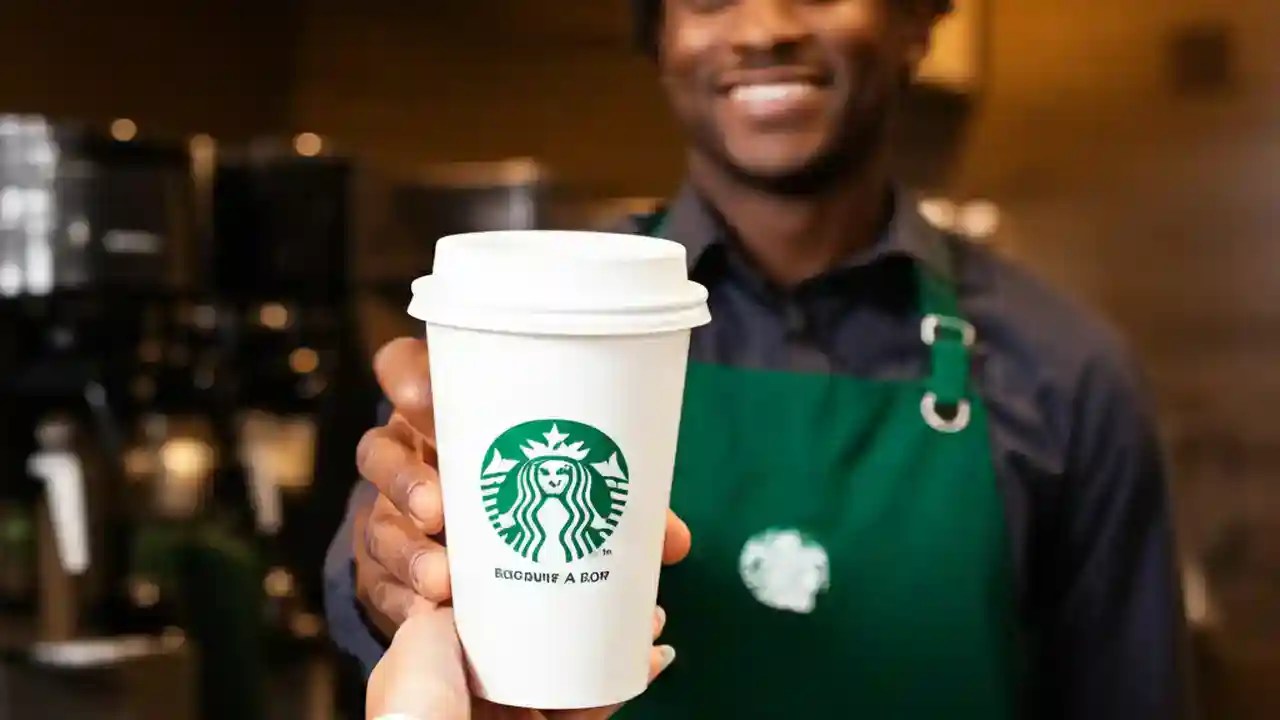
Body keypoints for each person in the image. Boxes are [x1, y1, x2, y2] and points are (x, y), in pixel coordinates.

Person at [327, 0, 1193, 717]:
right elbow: (373, 578)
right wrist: (394, 575)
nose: (764, 25)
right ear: (659, 38)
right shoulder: (534, 318)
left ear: (917, 24)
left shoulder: (1067, 370)